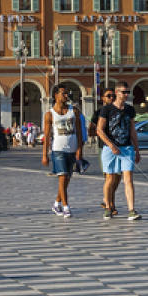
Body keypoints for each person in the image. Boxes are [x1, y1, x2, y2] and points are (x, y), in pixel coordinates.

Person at [97, 79, 142, 221]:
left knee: (128, 179)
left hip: (127, 148)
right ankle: (108, 207)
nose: (126, 94)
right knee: (110, 179)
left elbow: (132, 130)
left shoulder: (130, 109)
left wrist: (137, 149)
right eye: (124, 92)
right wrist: (111, 145)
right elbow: (99, 130)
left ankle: (131, 210)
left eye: (128, 92)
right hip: (110, 149)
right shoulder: (107, 109)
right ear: (117, 92)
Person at [42, 84, 85, 217]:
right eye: (63, 93)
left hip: (72, 149)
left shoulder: (74, 111)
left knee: (67, 180)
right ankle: (66, 207)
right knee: (63, 177)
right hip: (58, 150)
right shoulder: (49, 114)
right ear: (55, 95)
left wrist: (80, 149)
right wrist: (44, 155)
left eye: (67, 93)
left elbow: (78, 131)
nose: (66, 96)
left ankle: (56, 203)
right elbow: (47, 136)